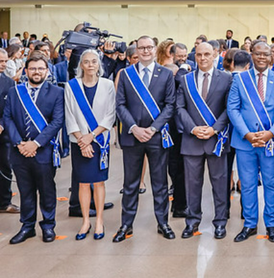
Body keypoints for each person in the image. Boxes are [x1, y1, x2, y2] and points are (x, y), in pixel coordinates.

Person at [113, 36, 176, 243]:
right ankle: (126, 225)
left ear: (155, 49)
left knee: (159, 183)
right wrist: (134, 128)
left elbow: (170, 105)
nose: (146, 51)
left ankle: (163, 223)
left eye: (150, 47)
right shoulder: (125, 74)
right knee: (130, 184)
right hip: (132, 137)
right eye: (142, 48)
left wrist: (152, 128)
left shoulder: (166, 74)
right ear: (136, 51)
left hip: (156, 137)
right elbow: (120, 105)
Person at [227, 42, 274, 243]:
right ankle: (250, 224)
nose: (262, 57)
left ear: (272, 56)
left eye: (266, 54)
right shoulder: (240, 80)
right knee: (248, 185)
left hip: (269, 141)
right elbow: (233, 109)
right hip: (245, 142)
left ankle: (271, 224)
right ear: (251, 55)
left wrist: (271, 133)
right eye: (258, 53)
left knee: (271, 184)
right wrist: (247, 134)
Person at [4, 52, 64, 244]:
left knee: (47, 190)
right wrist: (19, 143)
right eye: (33, 68)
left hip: (43, 150)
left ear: (47, 71)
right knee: (25, 190)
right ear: (26, 70)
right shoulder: (15, 92)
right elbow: (7, 118)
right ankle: (27, 226)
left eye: (40, 68)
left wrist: (35, 143)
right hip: (19, 150)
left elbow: (57, 122)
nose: (36, 72)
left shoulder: (57, 92)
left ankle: (48, 226)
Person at [175, 42, 232, 240]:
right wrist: (193, 128)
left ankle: (220, 222)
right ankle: (192, 221)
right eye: (199, 55)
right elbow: (179, 108)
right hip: (192, 140)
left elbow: (229, 109)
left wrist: (215, 129)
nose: (203, 58)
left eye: (207, 54)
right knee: (192, 185)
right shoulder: (185, 80)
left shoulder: (226, 78)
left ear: (215, 54)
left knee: (220, 183)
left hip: (216, 140)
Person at [64, 50, 116, 241]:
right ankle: (86, 221)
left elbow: (111, 114)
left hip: (99, 141)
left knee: (99, 182)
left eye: (94, 61)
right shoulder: (71, 86)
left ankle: (100, 220)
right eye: (86, 62)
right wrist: (81, 140)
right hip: (79, 142)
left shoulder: (108, 85)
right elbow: (69, 115)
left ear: (99, 64)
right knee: (83, 182)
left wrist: (91, 136)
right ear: (81, 65)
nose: (91, 65)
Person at [0, 49, 17, 214]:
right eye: (0, 61)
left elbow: (9, 109)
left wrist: (1, 124)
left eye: (5, 61)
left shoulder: (9, 83)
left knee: (5, 166)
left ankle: (4, 202)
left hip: (2, 133)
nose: (3, 65)